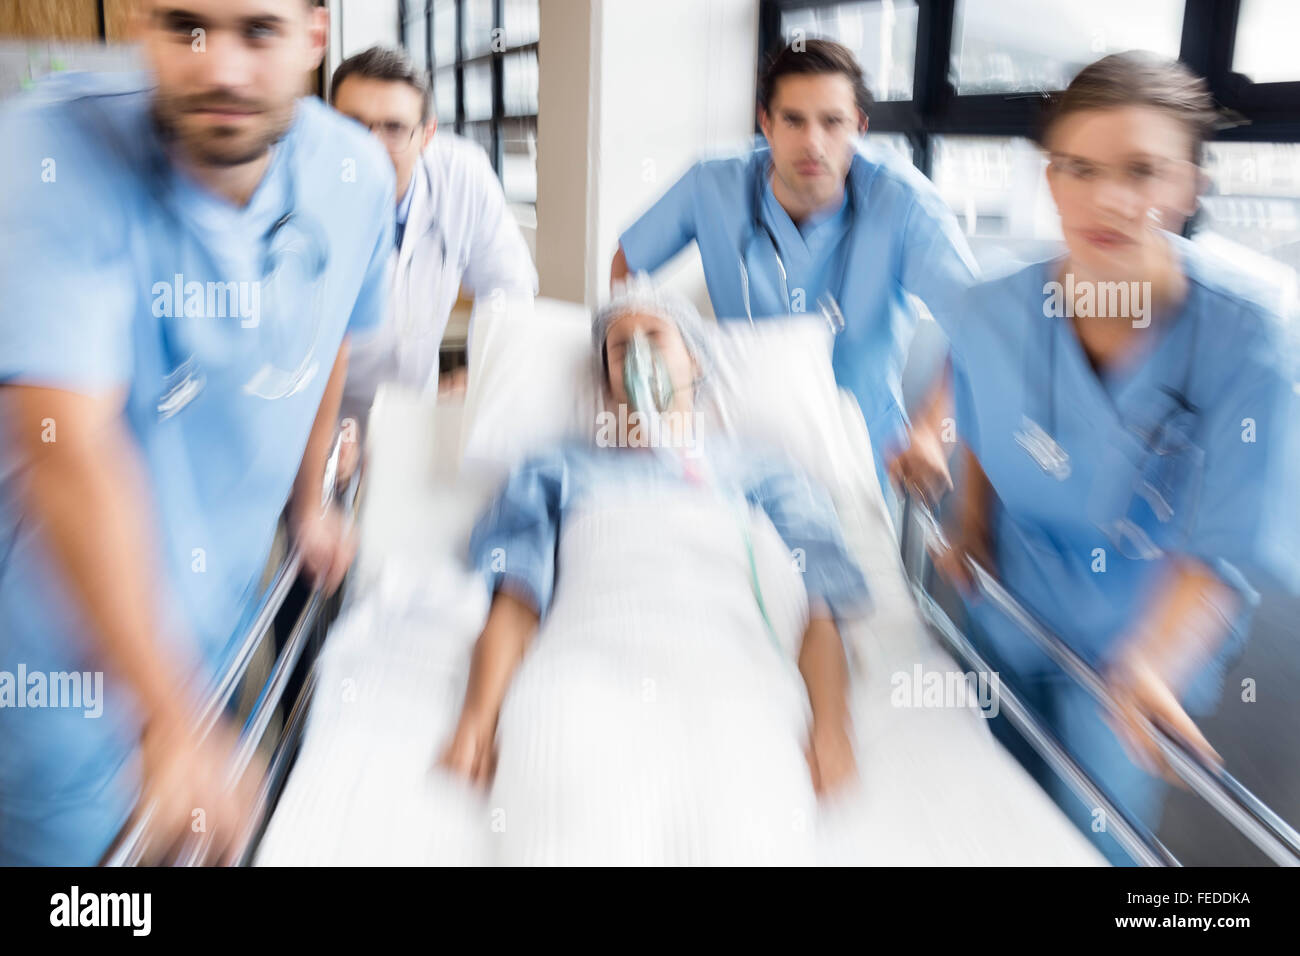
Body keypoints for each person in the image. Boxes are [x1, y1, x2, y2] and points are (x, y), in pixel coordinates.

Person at [0, 0, 394, 865]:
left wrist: (309, 499)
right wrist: (168, 714)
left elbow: (325, 336)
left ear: (313, 36)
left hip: (215, 624)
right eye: (186, 25)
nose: (220, 66)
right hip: (57, 662)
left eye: (257, 31)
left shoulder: (355, 174)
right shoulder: (49, 153)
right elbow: (65, 443)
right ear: (143, 23)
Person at [932, 51, 1300, 864]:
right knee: (994, 795)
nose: (1109, 198)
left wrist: (1152, 662)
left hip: (1137, 637)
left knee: (1097, 833)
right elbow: (989, 425)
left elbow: (1224, 545)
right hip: (1011, 600)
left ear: (1189, 184)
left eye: (1143, 170)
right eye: (1079, 168)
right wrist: (970, 526)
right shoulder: (992, 309)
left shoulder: (1249, 343)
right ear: (1050, 178)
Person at [438, 280, 871, 863]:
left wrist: (831, 726)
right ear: (605, 377)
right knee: (564, 821)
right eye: (619, 349)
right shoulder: (557, 468)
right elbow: (515, 597)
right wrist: (477, 717)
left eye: (653, 337)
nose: (636, 355)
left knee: (746, 826)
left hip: (731, 671)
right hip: (583, 668)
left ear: (694, 359)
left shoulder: (763, 471)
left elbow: (821, 602)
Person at [612, 38, 976, 506]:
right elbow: (626, 263)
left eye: (832, 122)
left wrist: (930, 432)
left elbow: (977, 326)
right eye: (793, 120)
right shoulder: (713, 184)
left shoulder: (903, 204)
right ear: (765, 122)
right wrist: (643, 373)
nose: (813, 143)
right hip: (737, 441)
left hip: (857, 454)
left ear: (859, 127)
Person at [330, 45, 536, 432]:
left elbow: (510, 291)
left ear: (427, 134)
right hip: (317, 424)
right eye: (354, 126)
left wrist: (485, 374)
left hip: (415, 419)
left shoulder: (462, 175)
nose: (371, 148)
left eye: (394, 129)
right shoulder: (297, 196)